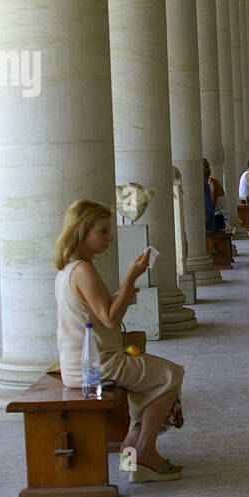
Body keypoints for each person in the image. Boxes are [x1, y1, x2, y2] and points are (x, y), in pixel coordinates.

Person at [53, 200, 185, 481]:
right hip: (96, 364)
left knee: (153, 378)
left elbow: (101, 314)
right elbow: (111, 320)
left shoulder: (68, 269)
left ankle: (131, 447)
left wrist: (124, 293)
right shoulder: (83, 270)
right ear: (82, 232)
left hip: (79, 362)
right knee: (172, 374)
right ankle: (145, 450)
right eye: (103, 231)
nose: (109, 237)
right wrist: (129, 277)